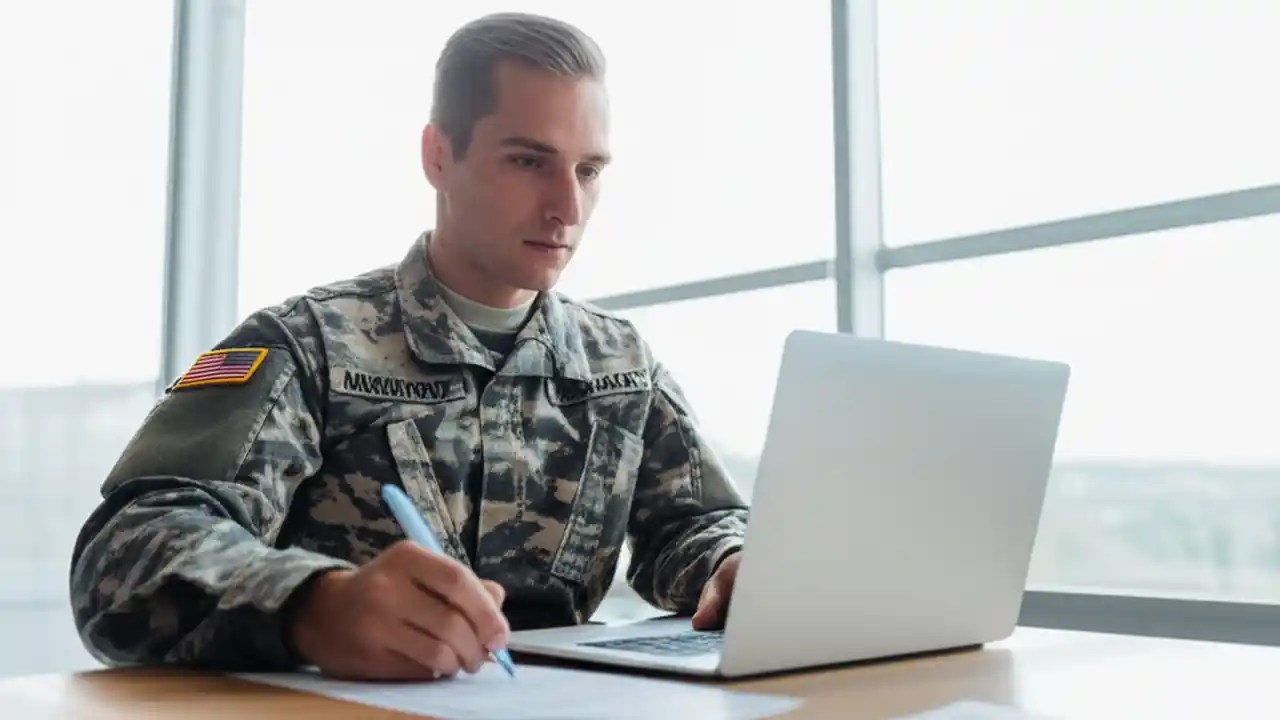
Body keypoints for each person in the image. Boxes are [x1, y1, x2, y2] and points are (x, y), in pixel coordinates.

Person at [69, 12, 748, 681]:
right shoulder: (309, 346)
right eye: (528, 160)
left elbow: (694, 523)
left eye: (589, 170)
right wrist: (312, 604)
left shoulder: (620, 366)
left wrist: (732, 565)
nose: (567, 207)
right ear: (437, 155)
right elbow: (126, 548)